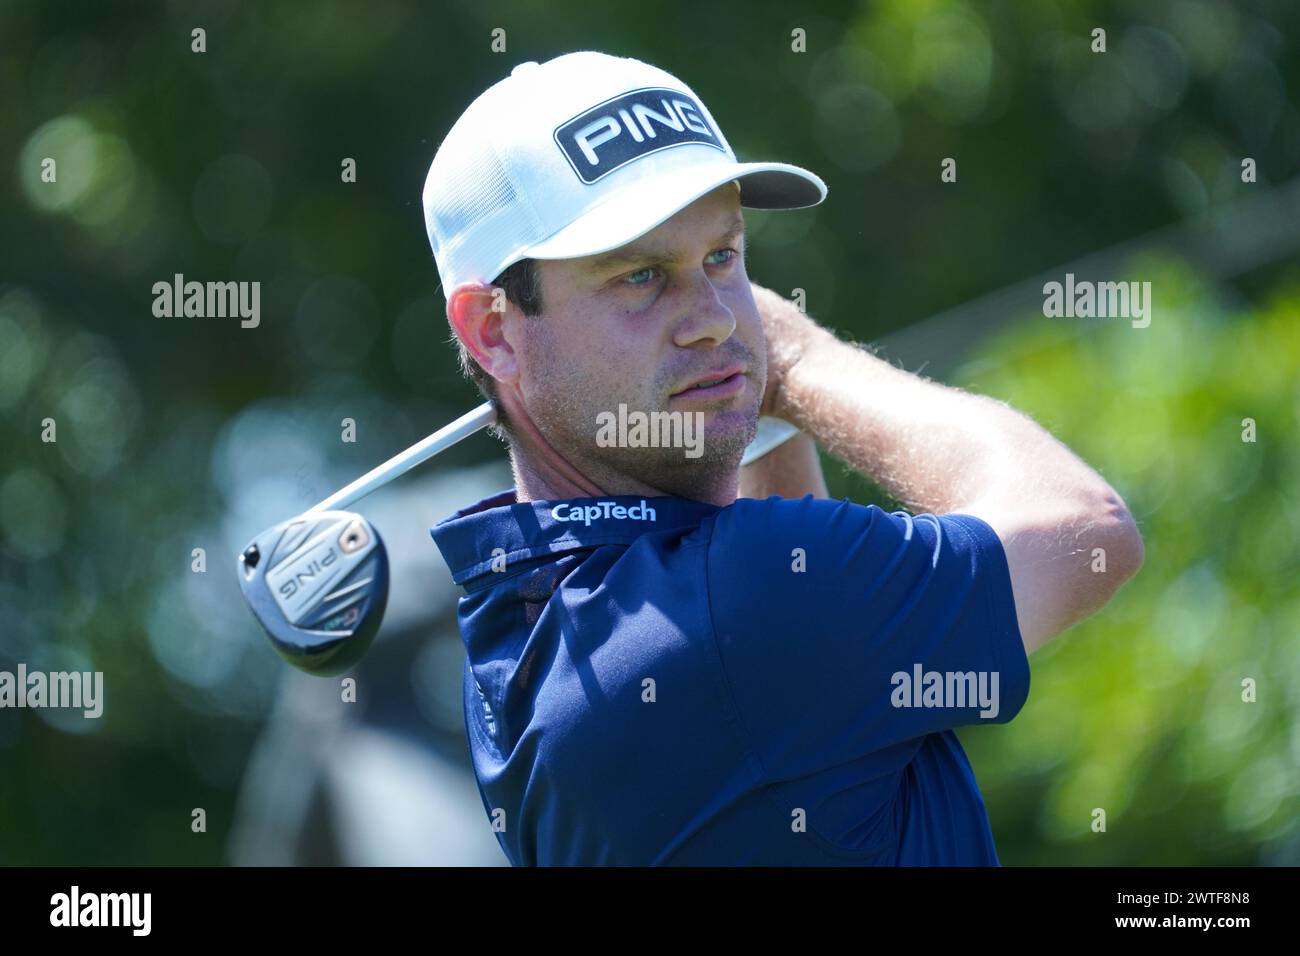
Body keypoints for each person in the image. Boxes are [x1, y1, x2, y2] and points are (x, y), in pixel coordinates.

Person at [424, 51, 1144, 865]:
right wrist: (796, 364)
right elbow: (1085, 528)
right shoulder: (740, 605)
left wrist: (736, 393)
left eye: (722, 256)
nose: (713, 319)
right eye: (641, 276)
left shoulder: (527, 625)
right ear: (492, 329)